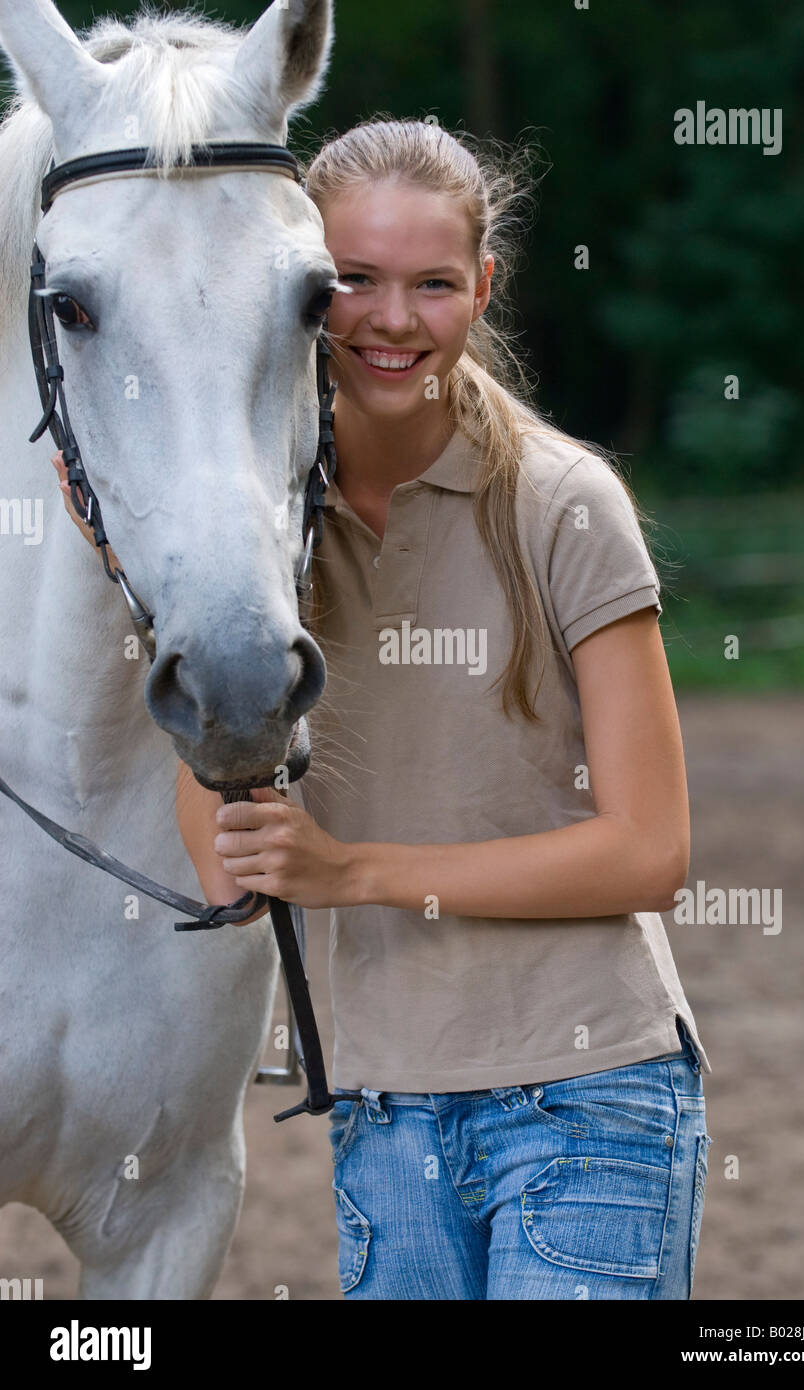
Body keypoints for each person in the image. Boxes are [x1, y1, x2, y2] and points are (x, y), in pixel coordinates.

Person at [53, 117, 712, 1301]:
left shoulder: (566, 506)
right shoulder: (263, 558)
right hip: (382, 1118)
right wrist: (143, 562)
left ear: (483, 287)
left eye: (432, 283)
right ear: (301, 283)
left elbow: (650, 851)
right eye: (352, 280)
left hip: (586, 1103)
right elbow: (228, 880)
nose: (390, 320)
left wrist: (351, 870)